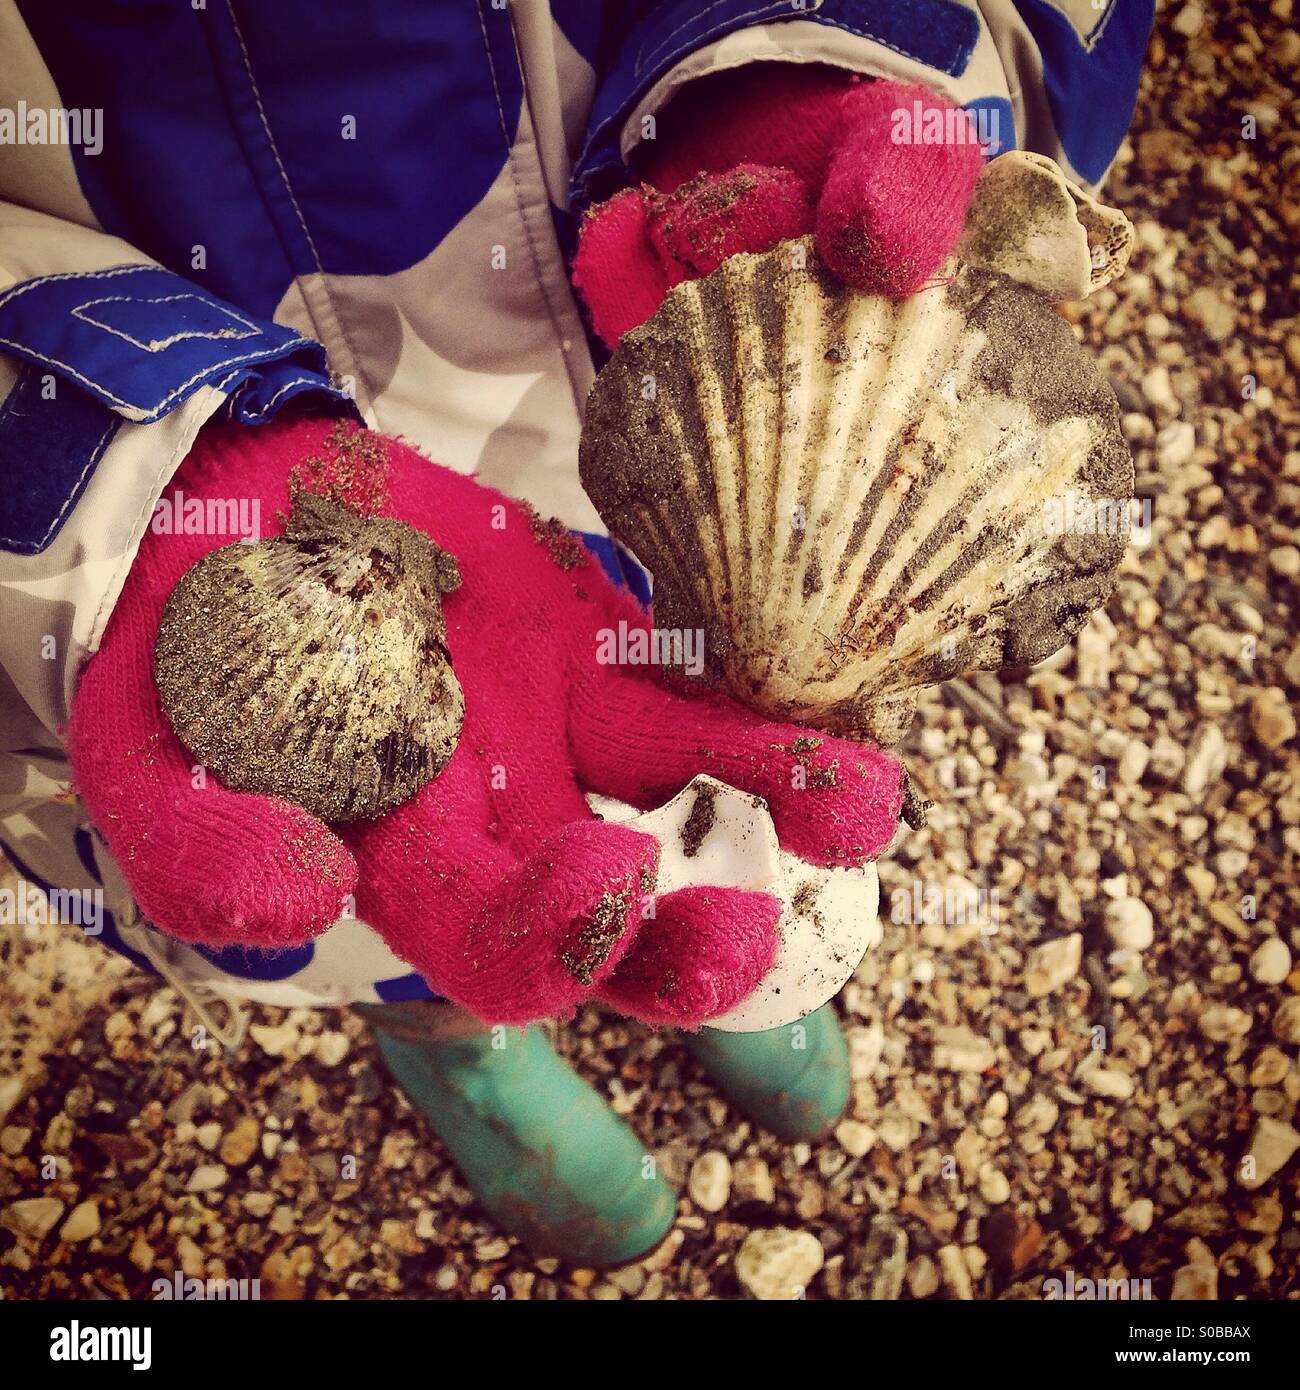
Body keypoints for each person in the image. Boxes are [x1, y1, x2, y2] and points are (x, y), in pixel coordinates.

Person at [0, 1, 1153, 1267]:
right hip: (144, 360)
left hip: (635, 315)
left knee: (684, 696)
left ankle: (728, 918)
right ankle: (449, 1026)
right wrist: (93, 455)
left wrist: (782, 55)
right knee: (373, 870)